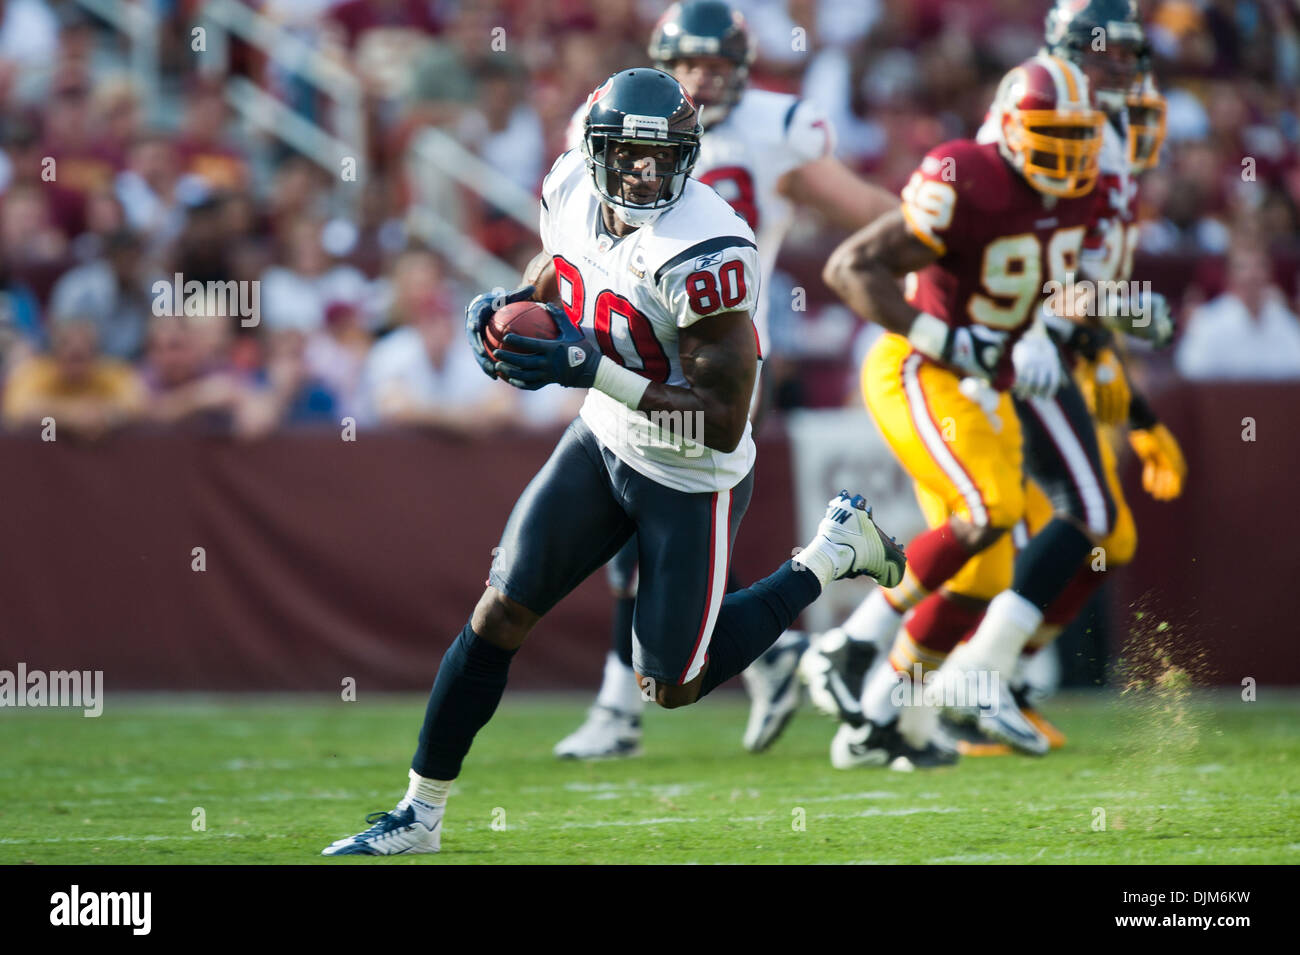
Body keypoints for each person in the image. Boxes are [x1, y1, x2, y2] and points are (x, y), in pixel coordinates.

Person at [321, 68, 904, 855]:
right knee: (500, 608)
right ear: (595, 150)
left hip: (690, 475)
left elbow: (727, 426)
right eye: (629, 154)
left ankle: (831, 554)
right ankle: (419, 813)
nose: (645, 172)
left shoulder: (706, 247)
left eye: (662, 158)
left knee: (671, 685)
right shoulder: (565, 187)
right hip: (603, 440)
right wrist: (508, 311)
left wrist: (589, 367)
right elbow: (559, 273)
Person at [554, 0, 901, 761]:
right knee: (639, 517)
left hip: (723, 357)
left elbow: (867, 209)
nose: (702, 78)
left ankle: (625, 704)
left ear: (744, 69)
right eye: (689, 63)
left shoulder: (777, 132)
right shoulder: (622, 128)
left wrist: (935, 240)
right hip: (632, 336)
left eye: (718, 65)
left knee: (644, 512)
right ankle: (754, 660)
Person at [817, 53, 1106, 769]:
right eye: (1052, 135)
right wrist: (948, 337)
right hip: (921, 362)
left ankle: (881, 717)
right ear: (1008, 129)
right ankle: (848, 643)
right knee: (991, 507)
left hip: (983, 381)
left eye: (1078, 137)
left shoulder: (1080, 196)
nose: (1068, 154)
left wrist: (1049, 329)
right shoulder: (964, 175)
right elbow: (849, 267)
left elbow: (1047, 287)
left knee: (980, 574)